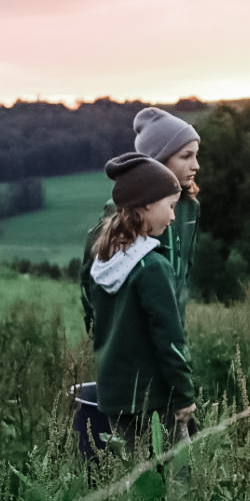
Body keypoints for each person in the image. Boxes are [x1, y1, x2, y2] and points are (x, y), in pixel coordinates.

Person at [82, 152, 197, 455]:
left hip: (116, 395)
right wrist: (184, 395)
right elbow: (170, 340)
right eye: (170, 206)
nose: (173, 217)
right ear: (146, 203)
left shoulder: (105, 259)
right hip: (153, 398)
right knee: (177, 478)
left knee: (135, 476)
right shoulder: (152, 267)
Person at [80, 106, 201, 331]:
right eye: (186, 156)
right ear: (158, 161)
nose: (196, 165)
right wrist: (99, 336)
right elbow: (92, 278)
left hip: (172, 333)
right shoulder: (119, 211)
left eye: (196, 155)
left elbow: (185, 273)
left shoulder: (190, 208)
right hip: (130, 340)